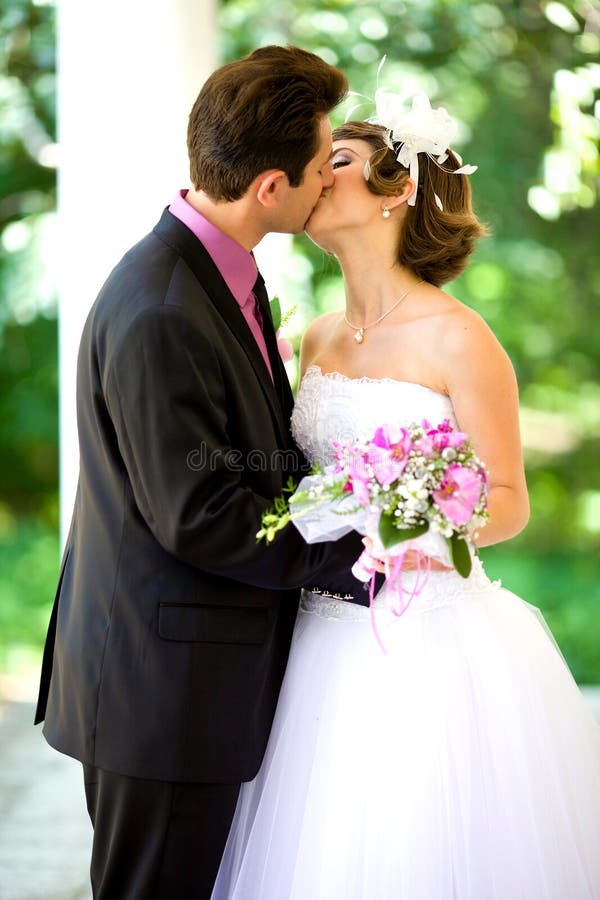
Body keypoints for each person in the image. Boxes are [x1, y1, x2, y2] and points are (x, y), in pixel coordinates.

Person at [211, 96, 600, 899]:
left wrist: (421, 535)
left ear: (394, 193)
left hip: (423, 640)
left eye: (339, 162)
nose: (320, 174)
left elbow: (509, 499)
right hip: (313, 634)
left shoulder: (460, 337)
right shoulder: (313, 335)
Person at [34, 45, 370, 900]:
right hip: (163, 693)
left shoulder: (222, 275)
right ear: (269, 188)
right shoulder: (161, 310)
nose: (327, 182)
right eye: (316, 170)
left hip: (189, 681)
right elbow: (201, 514)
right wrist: (348, 560)